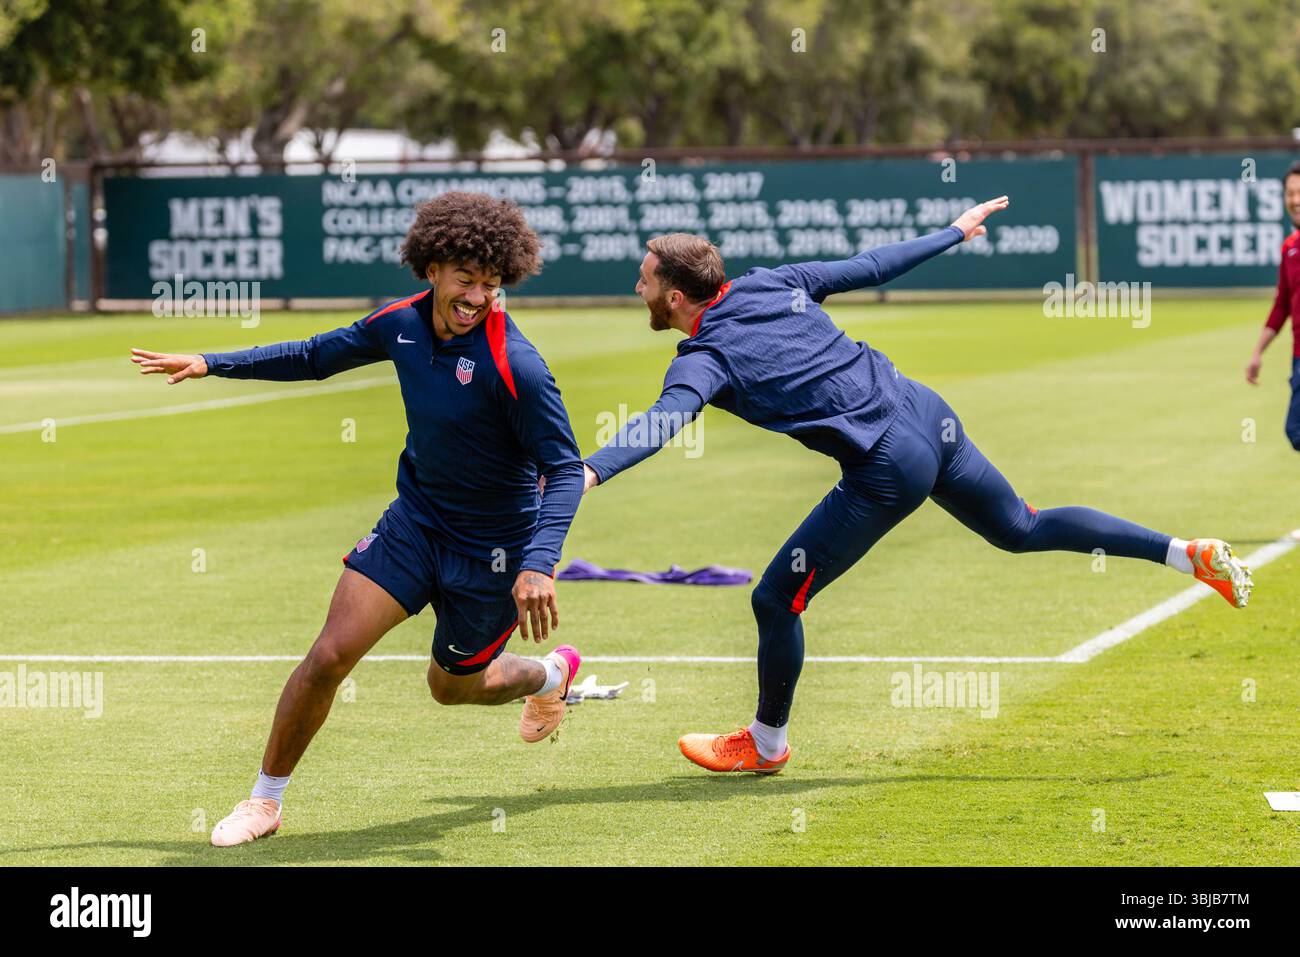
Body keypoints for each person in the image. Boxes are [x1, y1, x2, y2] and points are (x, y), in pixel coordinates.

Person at [582, 196, 1253, 776]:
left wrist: (591, 468)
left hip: (888, 463)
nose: (634, 288)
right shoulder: (771, 280)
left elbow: (664, 420)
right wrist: (954, 231)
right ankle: (1184, 552)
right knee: (1022, 525)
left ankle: (766, 743)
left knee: (775, 597)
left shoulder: (703, 356)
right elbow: (871, 266)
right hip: (927, 412)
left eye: (642, 280)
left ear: (675, 296)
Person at [131, 192, 585, 844]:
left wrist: (539, 564)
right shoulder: (399, 322)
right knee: (328, 655)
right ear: (430, 266)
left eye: (491, 284)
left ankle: (550, 674)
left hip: (494, 551)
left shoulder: (517, 364)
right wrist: (212, 361)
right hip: (416, 523)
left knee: (451, 687)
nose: (478, 296)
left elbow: (565, 468)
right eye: (466, 280)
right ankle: (265, 800)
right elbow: (316, 355)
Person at [1244, 159, 1300, 450]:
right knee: (1296, 432)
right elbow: (1282, 306)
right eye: (1290, 193)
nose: (1295, 200)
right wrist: (1257, 352)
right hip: (1299, 356)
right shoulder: (1290, 248)